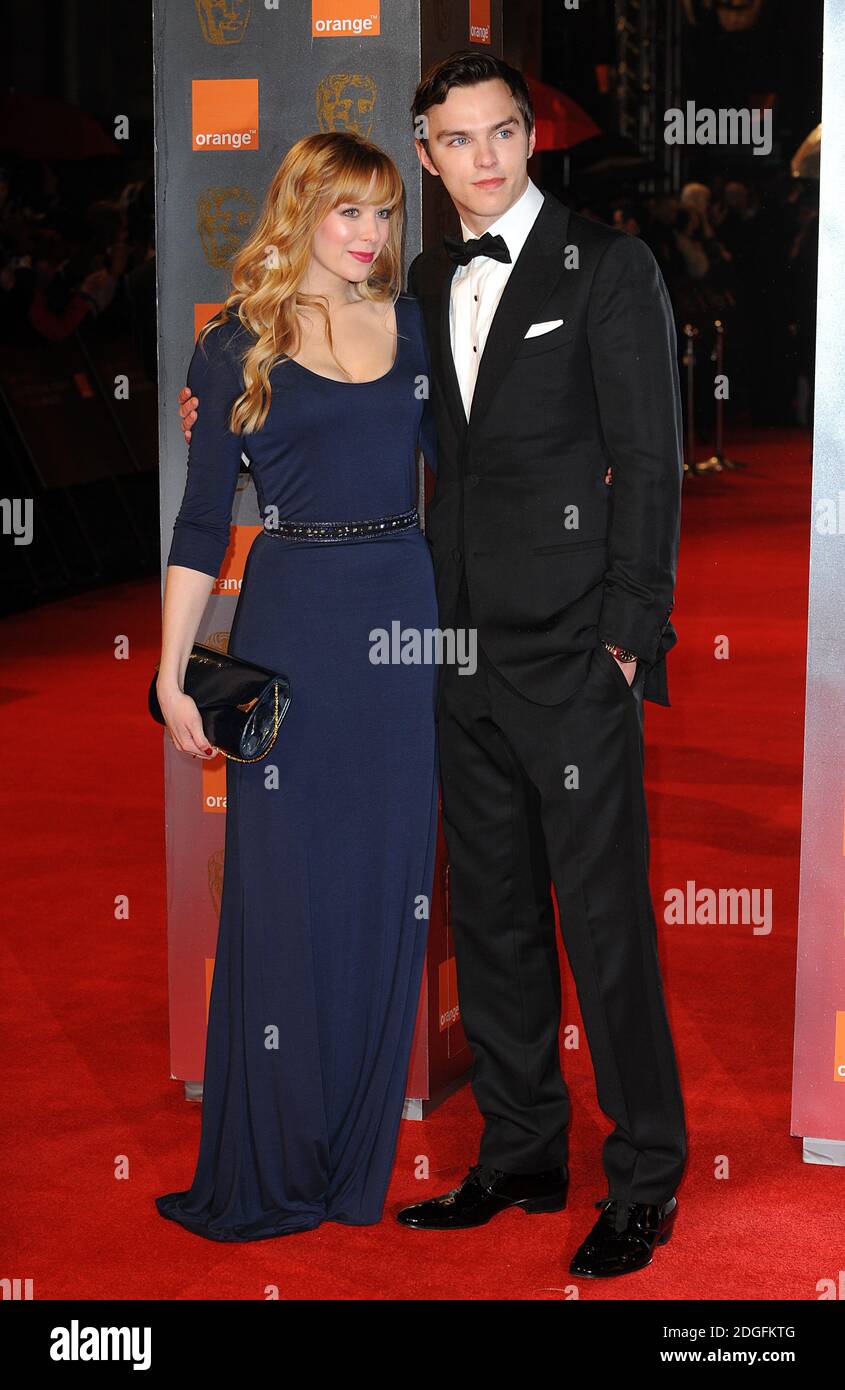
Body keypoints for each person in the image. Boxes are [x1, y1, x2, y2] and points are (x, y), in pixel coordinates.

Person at [179, 52, 688, 1280]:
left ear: (527, 137)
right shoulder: (406, 283)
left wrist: (624, 638)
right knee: (495, 917)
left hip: (571, 652)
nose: (484, 158)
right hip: (439, 655)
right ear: (423, 150)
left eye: (501, 133)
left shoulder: (607, 266)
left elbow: (651, 464)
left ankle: (644, 1177)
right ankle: (518, 1153)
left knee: (606, 924)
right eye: (456, 140)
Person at [155, 130, 439, 1241]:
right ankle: (273, 1155)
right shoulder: (235, 345)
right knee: (282, 896)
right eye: (349, 213)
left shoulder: (416, 332)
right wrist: (175, 670)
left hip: (402, 614)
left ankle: (353, 1154)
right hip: (291, 620)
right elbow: (195, 523)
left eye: (383, 216)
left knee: (385, 884)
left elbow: (467, 461)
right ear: (301, 212)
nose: (370, 237)